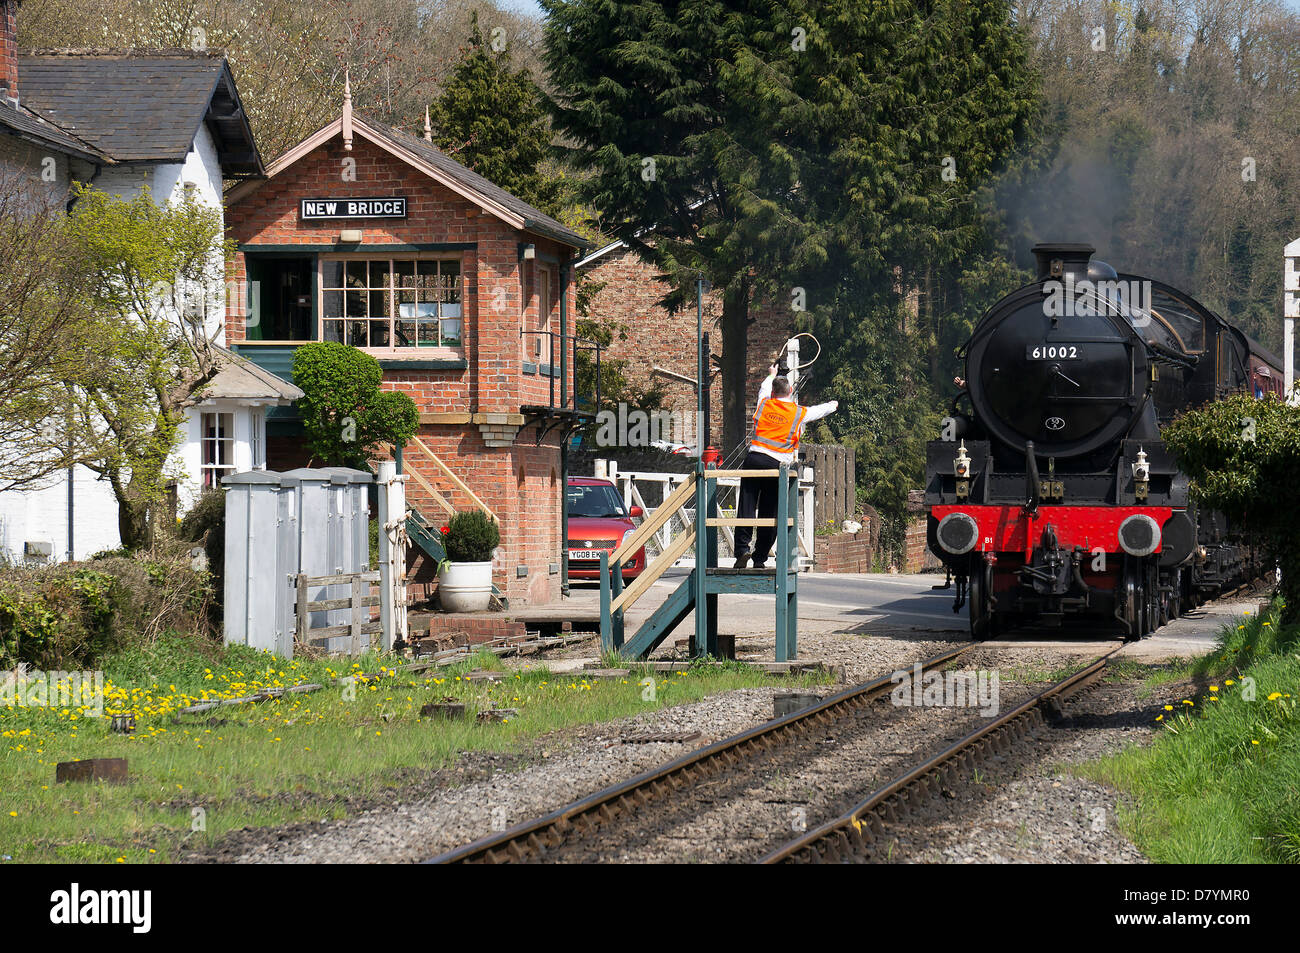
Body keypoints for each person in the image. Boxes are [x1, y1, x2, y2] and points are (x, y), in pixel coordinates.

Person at [734, 363, 838, 569]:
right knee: (770, 512)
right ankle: (760, 558)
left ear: (774, 392)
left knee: (746, 505)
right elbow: (818, 411)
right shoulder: (798, 412)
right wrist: (833, 405)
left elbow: (764, 387)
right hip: (776, 465)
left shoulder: (764, 403)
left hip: (754, 460)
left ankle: (742, 550)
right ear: (790, 391)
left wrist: (772, 373)